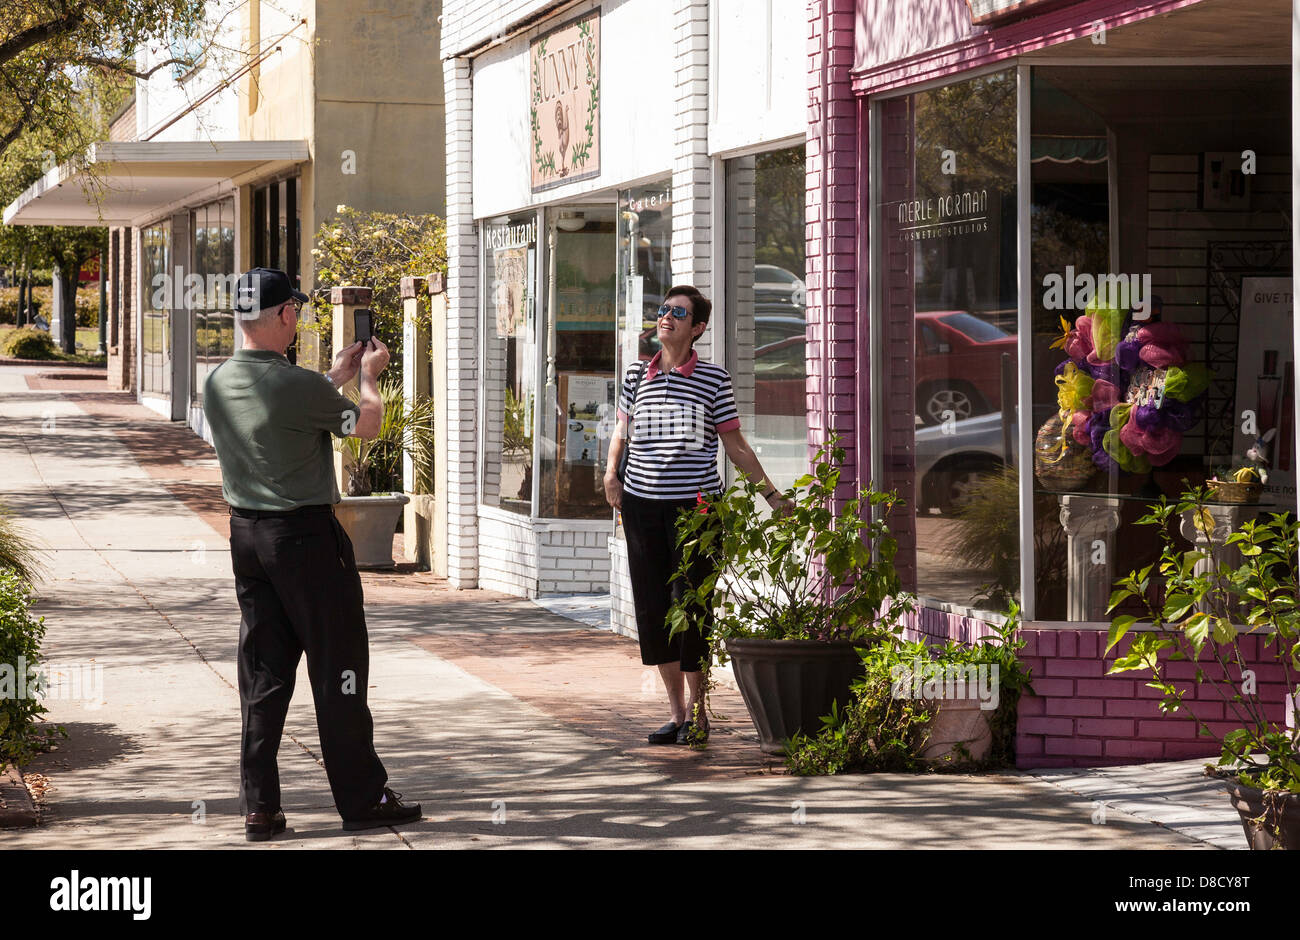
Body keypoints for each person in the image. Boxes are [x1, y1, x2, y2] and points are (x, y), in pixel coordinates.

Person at [202, 267, 421, 841]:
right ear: (282, 316)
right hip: (305, 542)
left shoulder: (220, 381)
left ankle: (261, 806)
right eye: (294, 310)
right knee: (339, 669)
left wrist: (334, 378)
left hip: (247, 538)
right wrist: (367, 378)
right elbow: (367, 424)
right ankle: (363, 797)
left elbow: (282, 409)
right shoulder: (299, 385)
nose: (297, 318)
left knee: (264, 673)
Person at [603, 285, 789, 745]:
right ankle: (677, 714)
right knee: (654, 608)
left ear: (697, 328)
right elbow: (621, 431)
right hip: (642, 507)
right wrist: (611, 473)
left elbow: (735, 446)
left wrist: (771, 494)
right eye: (663, 310)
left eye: (677, 313)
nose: (665, 317)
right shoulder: (634, 376)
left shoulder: (713, 380)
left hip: (697, 511)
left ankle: (701, 712)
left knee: (692, 607)